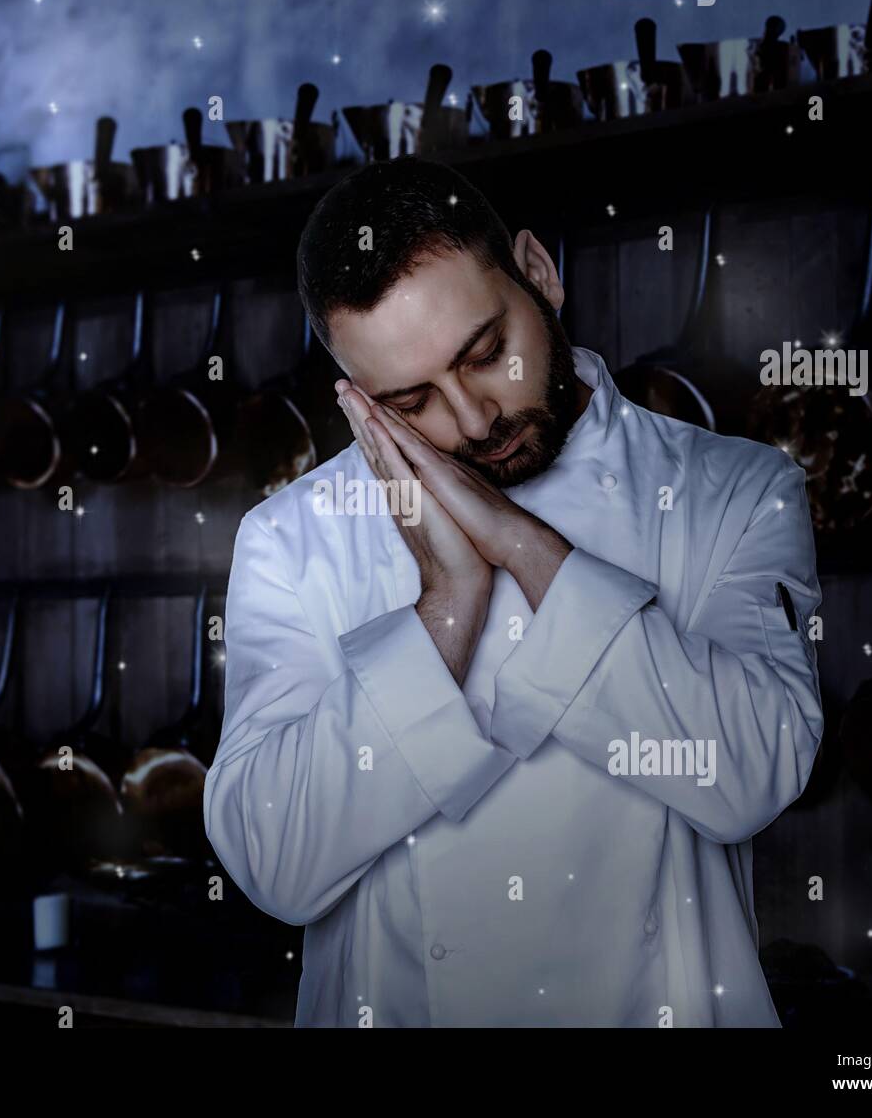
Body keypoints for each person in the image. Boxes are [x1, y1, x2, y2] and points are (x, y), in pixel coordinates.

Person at [203, 156, 824, 1027]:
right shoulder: (292, 538)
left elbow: (750, 772)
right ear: (357, 401)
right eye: (412, 399)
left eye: (487, 353)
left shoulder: (733, 492)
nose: (473, 420)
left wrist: (526, 549)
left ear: (539, 273)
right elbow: (276, 862)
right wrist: (447, 603)